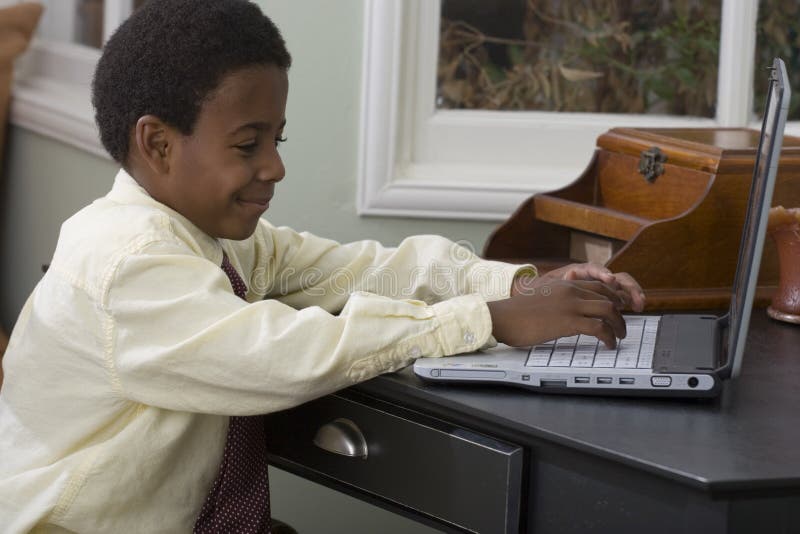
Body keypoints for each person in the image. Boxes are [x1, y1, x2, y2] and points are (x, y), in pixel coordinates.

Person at [0, 0, 645, 532]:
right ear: (159, 143)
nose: (275, 166)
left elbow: (354, 269)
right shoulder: (128, 264)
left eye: (276, 140)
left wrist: (515, 283)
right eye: (248, 144)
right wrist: (485, 321)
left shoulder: (210, 237)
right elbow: (275, 355)